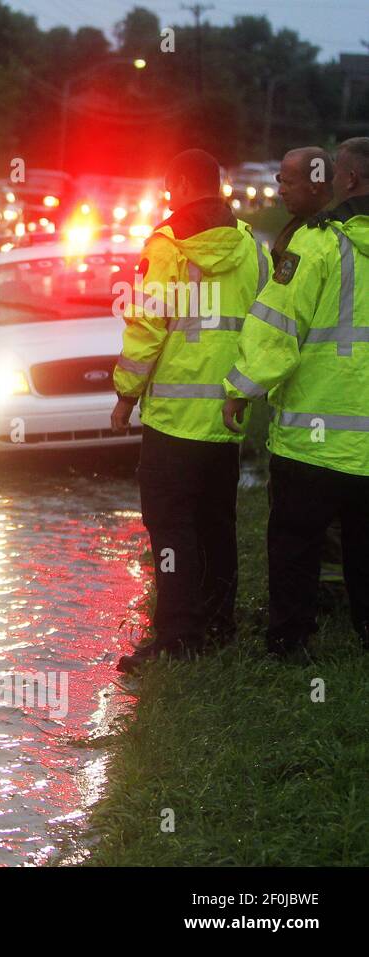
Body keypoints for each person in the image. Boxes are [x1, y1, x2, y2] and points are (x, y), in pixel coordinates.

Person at [111, 149, 271, 673]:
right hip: (226, 418)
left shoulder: (168, 245)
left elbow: (147, 326)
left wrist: (126, 394)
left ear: (180, 183)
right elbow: (266, 325)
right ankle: (219, 625)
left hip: (174, 423)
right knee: (216, 524)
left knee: (171, 526)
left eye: (168, 187)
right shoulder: (251, 246)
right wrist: (243, 391)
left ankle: (179, 636)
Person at [222, 137, 369, 659]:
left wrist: (241, 387)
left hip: (314, 437)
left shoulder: (319, 244)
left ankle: (290, 641)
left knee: (295, 542)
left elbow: (277, 332)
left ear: (346, 181)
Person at [271, 147, 344, 587]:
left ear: (317, 184)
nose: (279, 189)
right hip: (329, 402)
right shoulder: (301, 232)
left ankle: (321, 598)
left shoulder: (318, 240)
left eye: (287, 182)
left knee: (312, 516)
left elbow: (281, 324)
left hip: (316, 402)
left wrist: (246, 385)